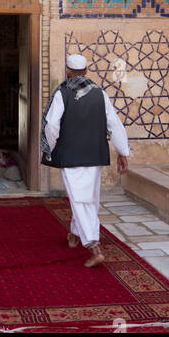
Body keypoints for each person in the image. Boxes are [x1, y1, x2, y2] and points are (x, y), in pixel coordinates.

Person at [41, 53, 130, 268]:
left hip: (71, 156)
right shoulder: (100, 94)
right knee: (86, 197)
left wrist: (49, 148)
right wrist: (123, 151)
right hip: (95, 155)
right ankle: (73, 235)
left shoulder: (63, 93)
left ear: (68, 71)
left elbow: (52, 126)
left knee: (81, 200)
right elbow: (114, 124)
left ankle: (94, 246)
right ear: (87, 71)